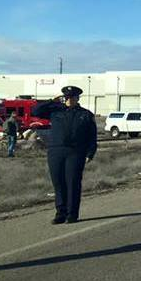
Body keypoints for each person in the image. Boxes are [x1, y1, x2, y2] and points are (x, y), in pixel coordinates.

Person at [31, 86, 97, 224]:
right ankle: (60, 213)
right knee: (58, 183)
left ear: (77, 98)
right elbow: (35, 111)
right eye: (66, 97)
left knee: (72, 182)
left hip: (75, 152)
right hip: (56, 151)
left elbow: (92, 136)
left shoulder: (85, 114)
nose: (69, 100)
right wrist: (51, 101)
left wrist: (90, 153)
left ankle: (72, 214)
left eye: (72, 97)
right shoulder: (55, 111)